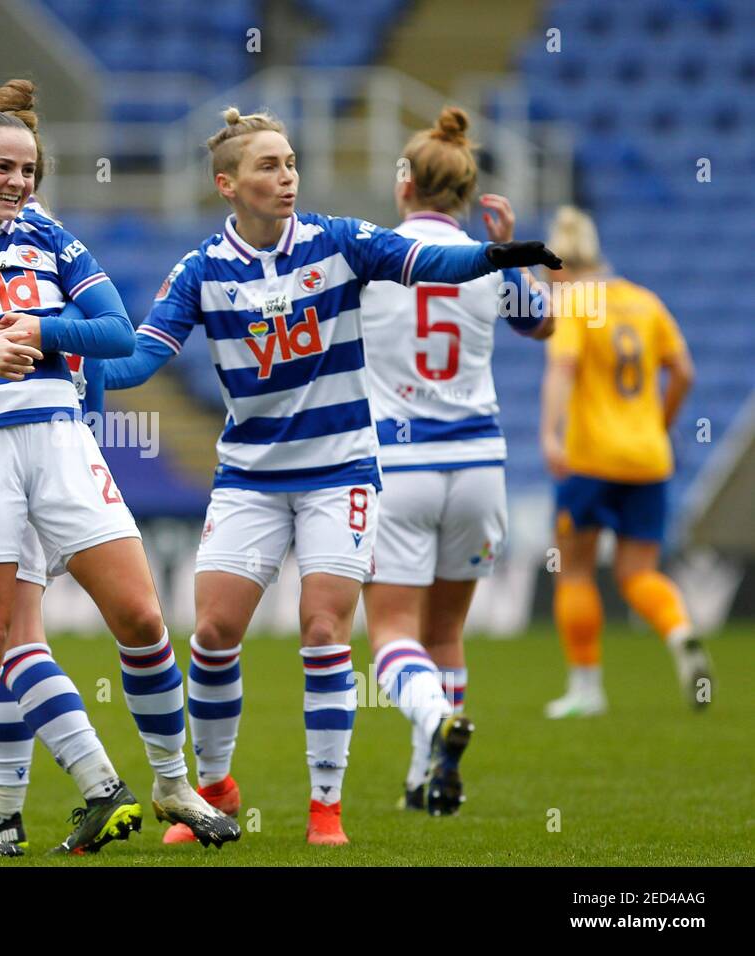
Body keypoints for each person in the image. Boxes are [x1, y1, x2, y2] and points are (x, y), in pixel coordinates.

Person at [99, 107, 561, 845]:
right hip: (249, 476)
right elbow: (142, 357)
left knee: (324, 631)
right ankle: (213, 790)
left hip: (340, 471)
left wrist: (492, 258)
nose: (286, 178)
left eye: (290, 163)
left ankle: (325, 811)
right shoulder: (199, 271)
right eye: (268, 167)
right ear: (227, 184)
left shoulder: (338, 241)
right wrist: (68, 364)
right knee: (214, 633)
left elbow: (426, 263)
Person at [0, 79, 240, 857]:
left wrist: (43, 332)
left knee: (143, 618)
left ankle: (171, 781)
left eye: (28, 171)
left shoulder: (51, 241)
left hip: (62, 441)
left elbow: (116, 331)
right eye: (2, 168)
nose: (16, 183)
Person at [360, 107, 553, 816]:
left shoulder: (372, 256)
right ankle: (428, 784)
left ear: (404, 184)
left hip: (398, 463)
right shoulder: (487, 263)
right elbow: (545, 324)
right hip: (478, 464)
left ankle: (436, 725)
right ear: (467, 196)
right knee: (446, 633)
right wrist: (511, 251)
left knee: (391, 636)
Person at [539, 206, 711, 717]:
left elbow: (562, 372)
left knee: (573, 571)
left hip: (591, 457)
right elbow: (684, 371)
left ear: (559, 266)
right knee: (639, 572)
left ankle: (586, 688)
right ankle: (680, 633)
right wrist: (658, 423)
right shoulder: (643, 301)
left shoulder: (576, 305)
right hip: (648, 459)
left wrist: (551, 435)